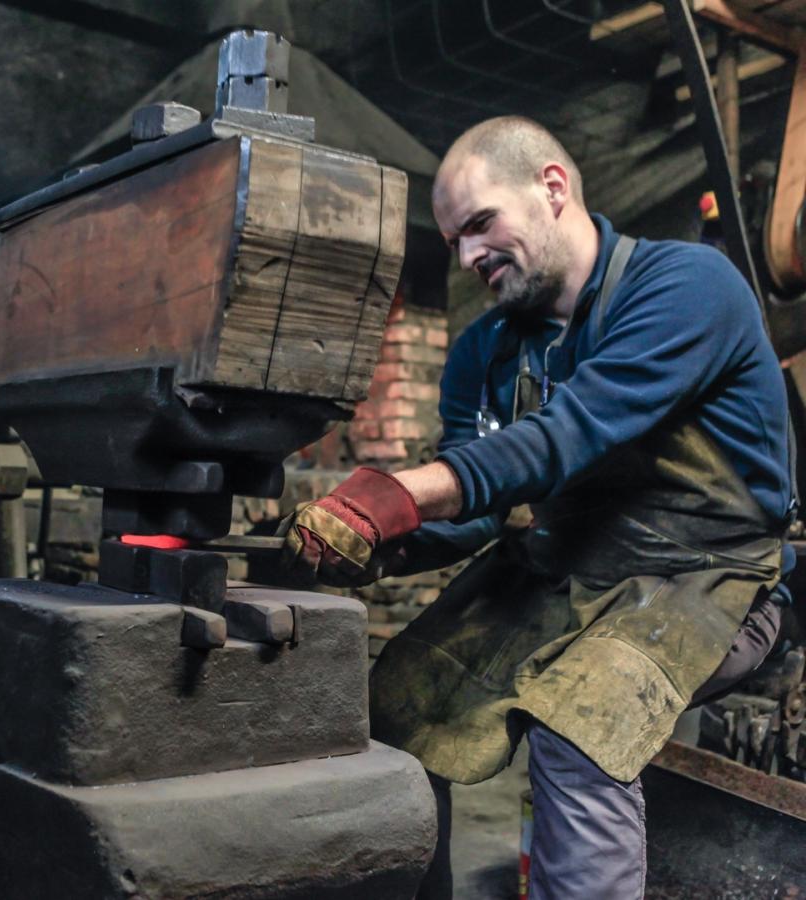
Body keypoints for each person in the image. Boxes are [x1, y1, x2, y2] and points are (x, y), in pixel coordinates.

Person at [281, 116, 795, 899]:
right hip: (565, 570)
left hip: (707, 581)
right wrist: (388, 546)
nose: (468, 257)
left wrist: (401, 493)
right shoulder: (482, 351)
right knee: (396, 700)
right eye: (453, 240)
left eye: (480, 224)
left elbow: (564, 437)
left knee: (581, 725)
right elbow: (486, 509)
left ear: (552, 188)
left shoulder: (687, 287)